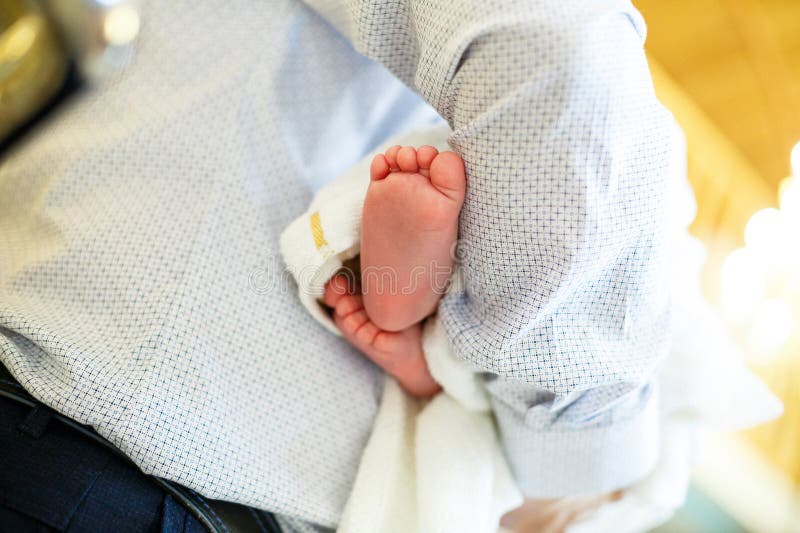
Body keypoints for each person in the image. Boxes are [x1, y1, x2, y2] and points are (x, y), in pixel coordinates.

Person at [0, 1, 673, 531]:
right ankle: (432, 359)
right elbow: (557, 52)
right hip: (140, 477)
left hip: (45, 386)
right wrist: (569, 464)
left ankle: (421, 337)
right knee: (486, 425)